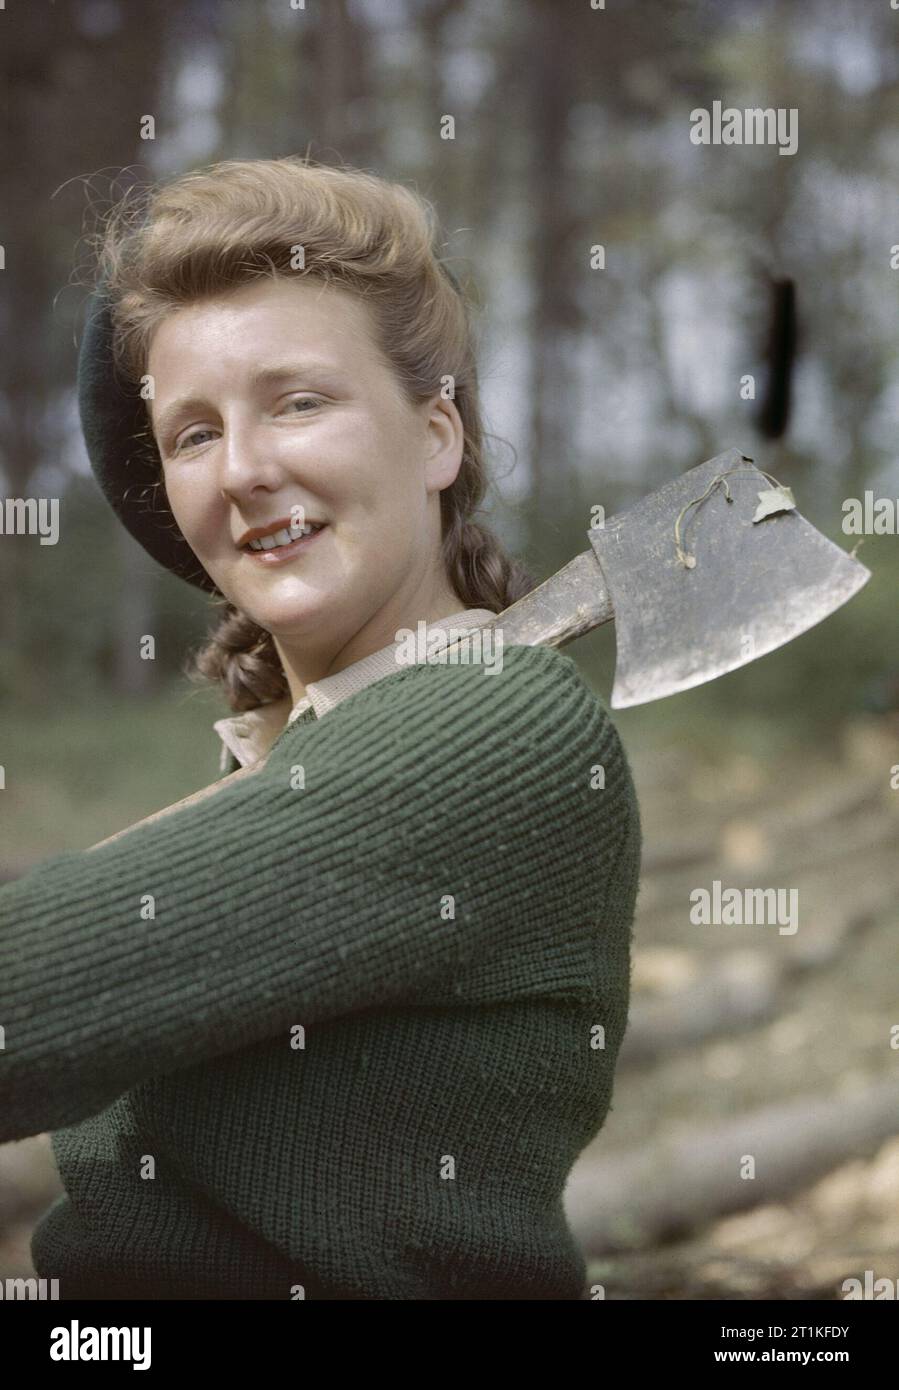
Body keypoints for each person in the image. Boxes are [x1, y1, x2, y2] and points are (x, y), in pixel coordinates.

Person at [0, 156, 642, 1300]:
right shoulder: (282, 756)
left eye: (299, 400)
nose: (243, 468)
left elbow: (27, 999)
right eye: (192, 434)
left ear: (435, 435)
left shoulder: (495, 727)